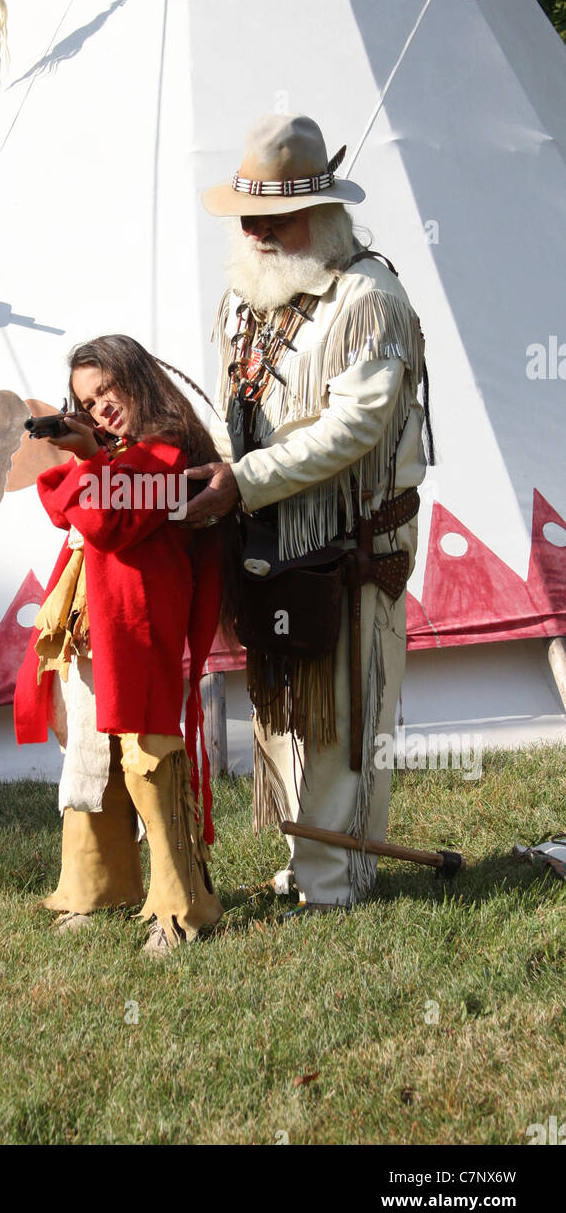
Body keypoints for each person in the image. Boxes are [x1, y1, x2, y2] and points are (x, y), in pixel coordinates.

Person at [184, 112, 429, 914]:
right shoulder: (243, 300)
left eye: (273, 219)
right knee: (288, 713)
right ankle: (306, 869)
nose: (253, 232)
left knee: (343, 721)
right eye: (246, 218)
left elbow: (353, 431)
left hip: (353, 542)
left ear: (321, 216)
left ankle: (335, 885)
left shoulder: (369, 299)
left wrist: (243, 481)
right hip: (270, 539)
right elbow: (237, 412)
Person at [14, 335, 231, 956]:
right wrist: (92, 460)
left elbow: (106, 519)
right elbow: (60, 502)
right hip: (87, 622)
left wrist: (88, 461)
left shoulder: (170, 456)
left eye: (108, 390)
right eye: (88, 399)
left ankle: (179, 907)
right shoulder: (125, 457)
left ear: (137, 381)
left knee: (145, 750)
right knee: (89, 750)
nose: (101, 406)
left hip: (139, 619)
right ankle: (94, 888)